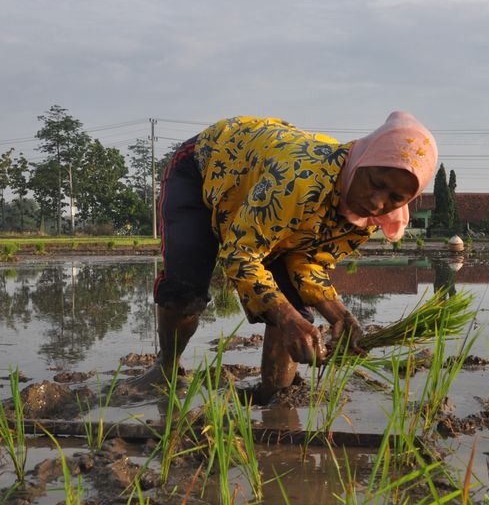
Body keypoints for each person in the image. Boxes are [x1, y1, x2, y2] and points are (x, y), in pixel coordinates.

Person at [133, 111, 437, 402]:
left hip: (265, 201)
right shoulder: (300, 179)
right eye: (377, 183)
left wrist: (339, 315)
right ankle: (167, 368)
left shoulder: (368, 219)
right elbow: (241, 254)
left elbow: (307, 261)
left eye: (395, 198)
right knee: (185, 288)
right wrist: (287, 318)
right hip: (206, 167)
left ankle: (272, 398)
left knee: (294, 309)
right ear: (363, 161)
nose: (376, 201)